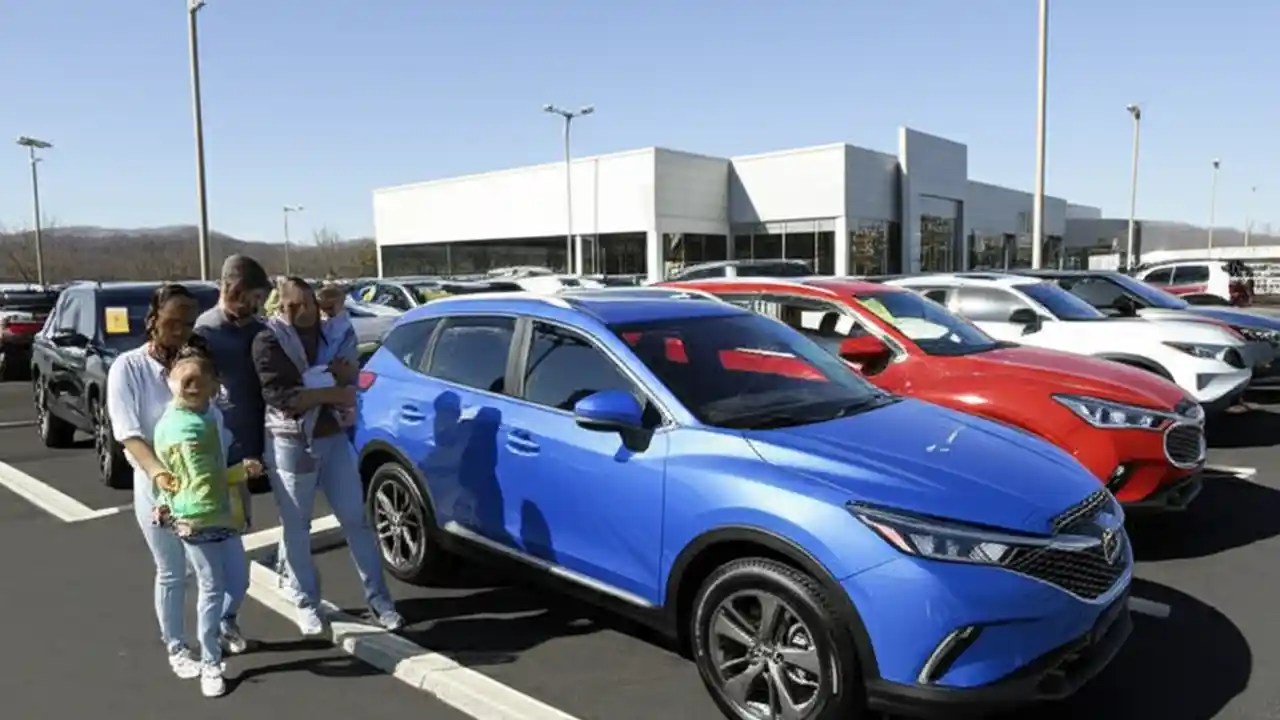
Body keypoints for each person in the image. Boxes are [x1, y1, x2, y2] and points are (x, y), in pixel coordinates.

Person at [106, 284, 245, 681]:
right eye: (172, 321)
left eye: (188, 322)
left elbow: (215, 424)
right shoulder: (129, 368)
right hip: (160, 491)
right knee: (173, 571)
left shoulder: (196, 365)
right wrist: (159, 475)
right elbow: (129, 433)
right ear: (152, 320)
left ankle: (218, 625)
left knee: (232, 572)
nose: (180, 330)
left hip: (209, 491)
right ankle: (178, 645)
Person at [253, 277, 402, 635]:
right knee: (297, 527)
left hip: (333, 438)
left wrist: (336, 385)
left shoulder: (332, 333)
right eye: (285, 305)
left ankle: (379, 599)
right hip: (290, 442)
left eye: (300, 304)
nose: (292, 312)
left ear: (313, 303)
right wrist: (335, 392)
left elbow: (353, 378)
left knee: (356, 519)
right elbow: (284, 397)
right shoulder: (268, 338)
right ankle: (306, 601)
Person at [152, 344, 257, 698]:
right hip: (194, 520)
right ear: (171, 382)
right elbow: (188, 478)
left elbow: (213, 473)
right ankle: (211, 663)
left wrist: (239, 479)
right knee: (211, 588)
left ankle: (225, 624)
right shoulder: (175, 426)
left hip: (222, 515)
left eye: (202, 379)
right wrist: (238, 473)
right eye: (187, 379)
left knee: (239, 581)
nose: (194, 386)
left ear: (215, 385)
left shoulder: (210, 417)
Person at [194, 255, 273, 476]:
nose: (259, 305)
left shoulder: (258, 329)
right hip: (225, 443)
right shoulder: (205, 331)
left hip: (260, 440)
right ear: (236, 291)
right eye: (255, 297)